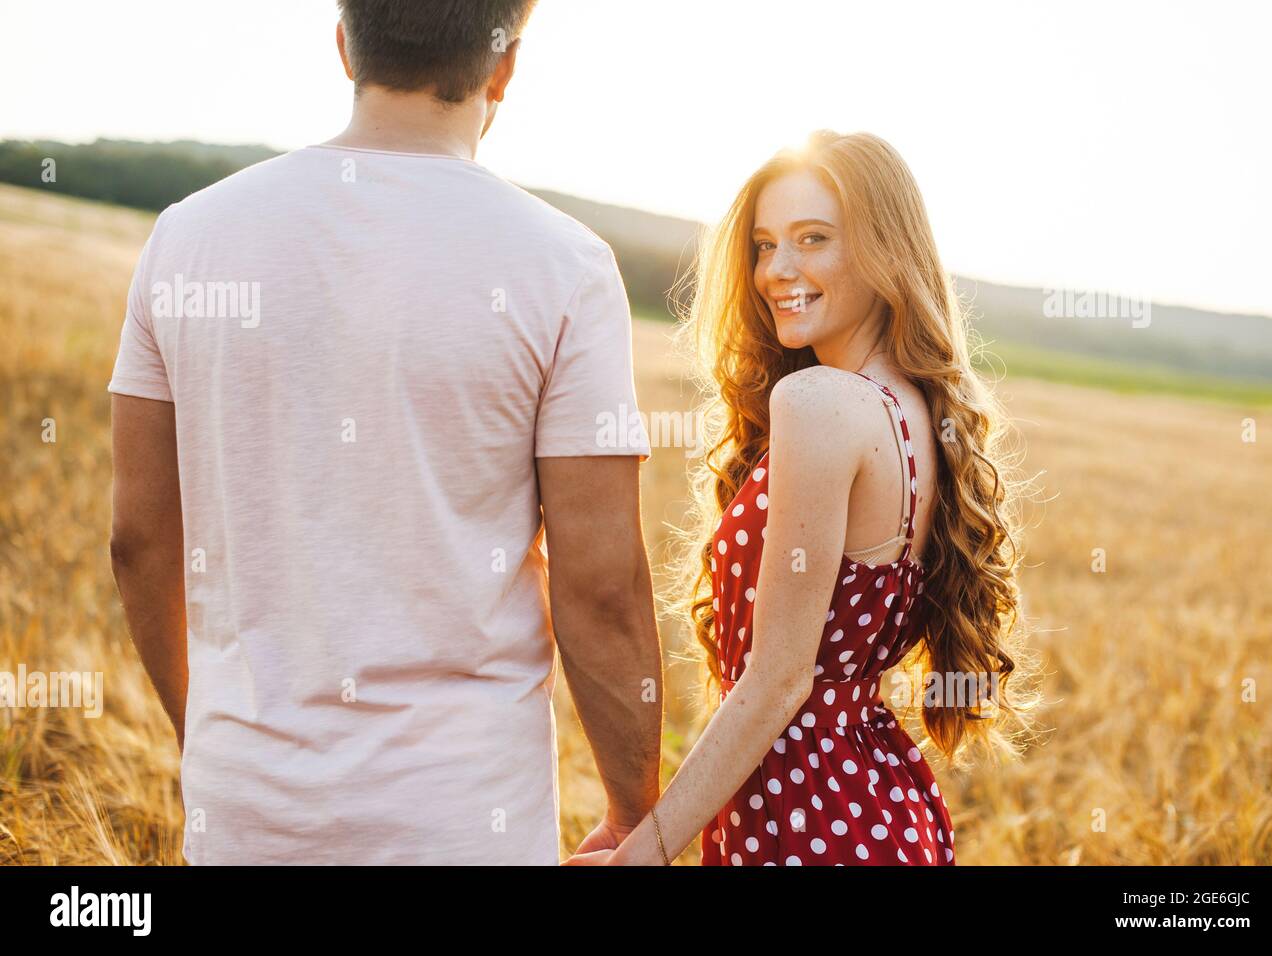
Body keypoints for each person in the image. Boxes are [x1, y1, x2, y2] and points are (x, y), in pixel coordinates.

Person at [107, 0, 663, 865]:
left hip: (245, 813)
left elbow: (138, 541)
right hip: (461, 821)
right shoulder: (569, 267)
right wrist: (636, 813)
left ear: (344, 45)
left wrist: (212, 740)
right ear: (504, 66)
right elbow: (601, 588)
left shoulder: (186, 239)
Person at [567, 131, 1030, 866]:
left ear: (886, 251)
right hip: (871, 800)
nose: (777, 271)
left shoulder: (822, 402)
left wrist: (643, 851)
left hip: (805, 816)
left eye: (812, 239)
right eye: (763, 245)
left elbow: (779, 680)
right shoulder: (912, 412)